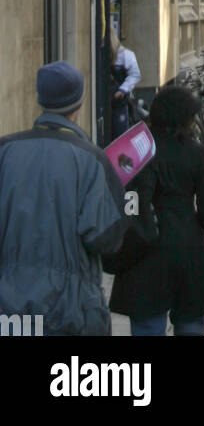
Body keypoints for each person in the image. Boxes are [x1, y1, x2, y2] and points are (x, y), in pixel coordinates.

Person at [0, 62, 125, 336]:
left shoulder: (5, 152)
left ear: (40, 100)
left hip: (9, 311)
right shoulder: (92, 160)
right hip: (70, 310)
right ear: (78, 107)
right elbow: (105, 237)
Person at [109, 84, 204, 334]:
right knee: (191, 321)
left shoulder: (139, 151)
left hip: (148, 250)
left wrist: (134, 226)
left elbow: (132, 200)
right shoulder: (197, 153)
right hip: (188, 246)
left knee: (148, 323)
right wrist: (192, 227)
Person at [109, 27, 142, 139]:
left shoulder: (124, 55)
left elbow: (135, 74)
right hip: (108, 101)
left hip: (118, 102)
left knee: (120, 135)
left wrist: (122, 90)